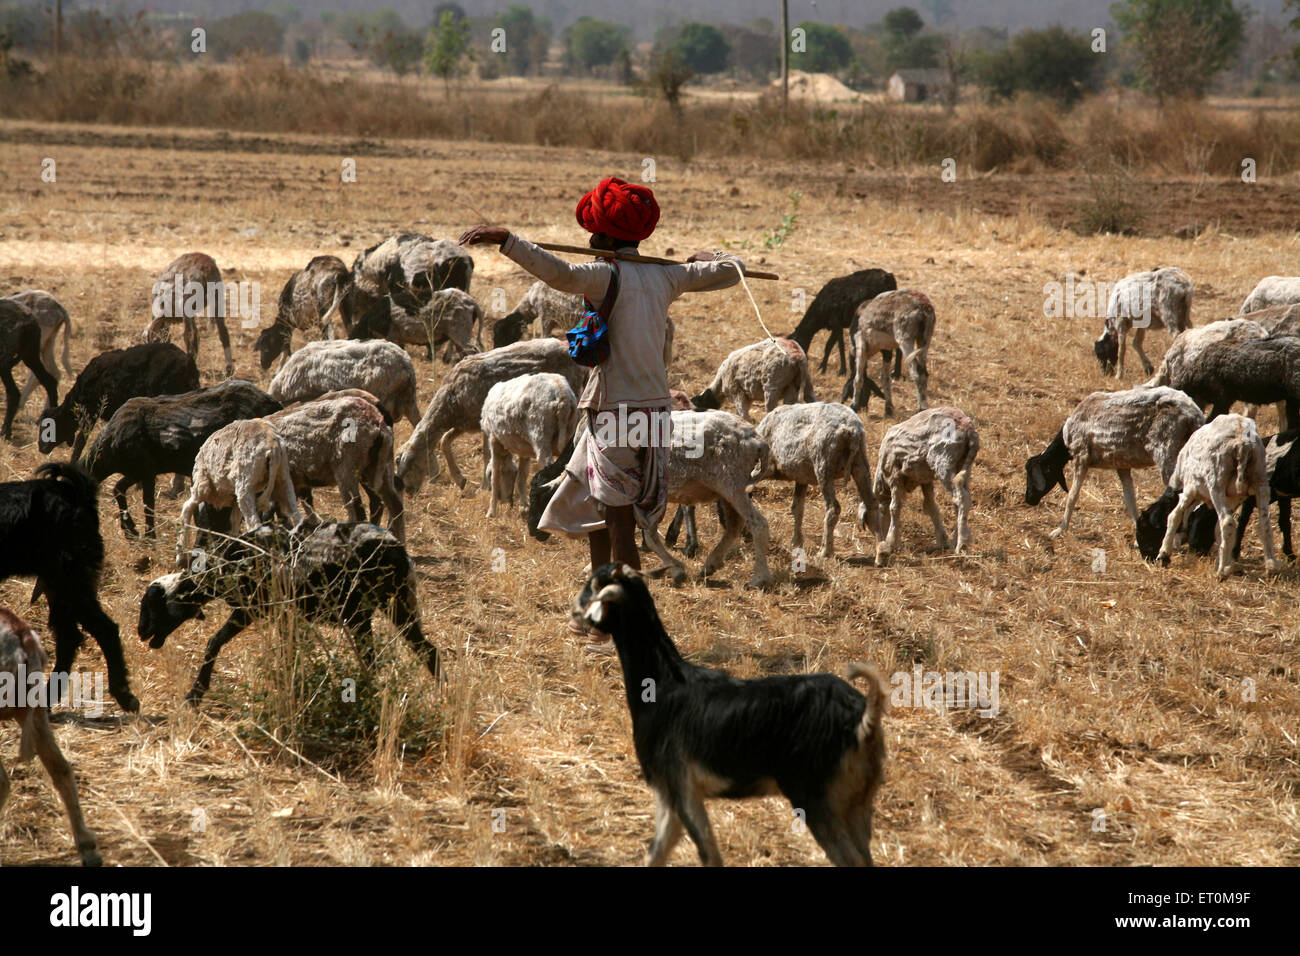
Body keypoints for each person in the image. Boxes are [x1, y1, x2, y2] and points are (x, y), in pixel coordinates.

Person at [459, 176, 746, 652]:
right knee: (598, 514)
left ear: (609, 238)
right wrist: (710, 260)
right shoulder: (667, 276)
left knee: (618, 526)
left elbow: (555, 271)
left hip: (614, 415)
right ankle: (599, 614)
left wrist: (507, 241)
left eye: (596, 234)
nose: (590, 241)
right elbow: (734, 272)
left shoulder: (601, 274)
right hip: (653, 416)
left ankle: (628, 630)